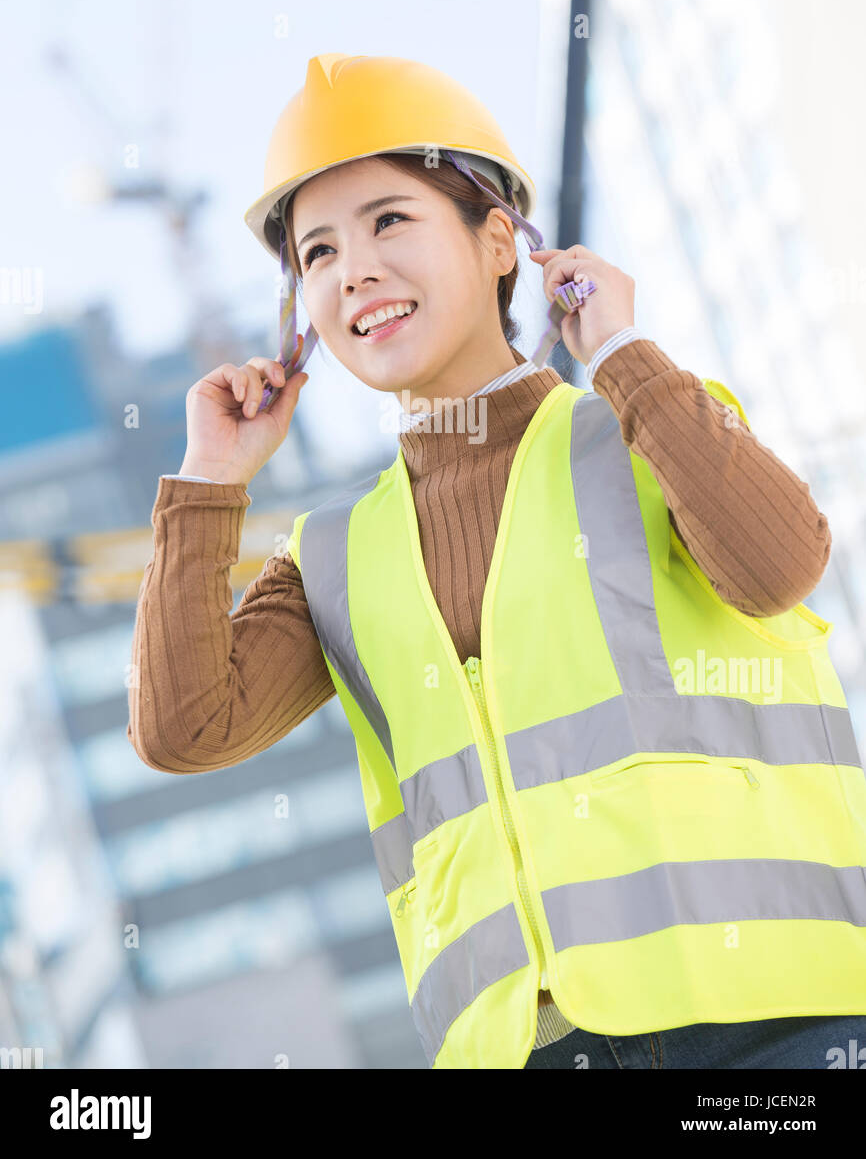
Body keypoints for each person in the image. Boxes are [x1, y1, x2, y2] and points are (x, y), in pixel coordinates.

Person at [129, 53, 866, 1069]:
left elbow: (780, 563)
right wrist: (209, 479)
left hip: (775, 1027)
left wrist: (616, 352)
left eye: (390, 221)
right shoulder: (337, 556)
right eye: (318, 252)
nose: (355, 271)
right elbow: (181, 727)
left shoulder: (645, 431)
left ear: (497, 242)